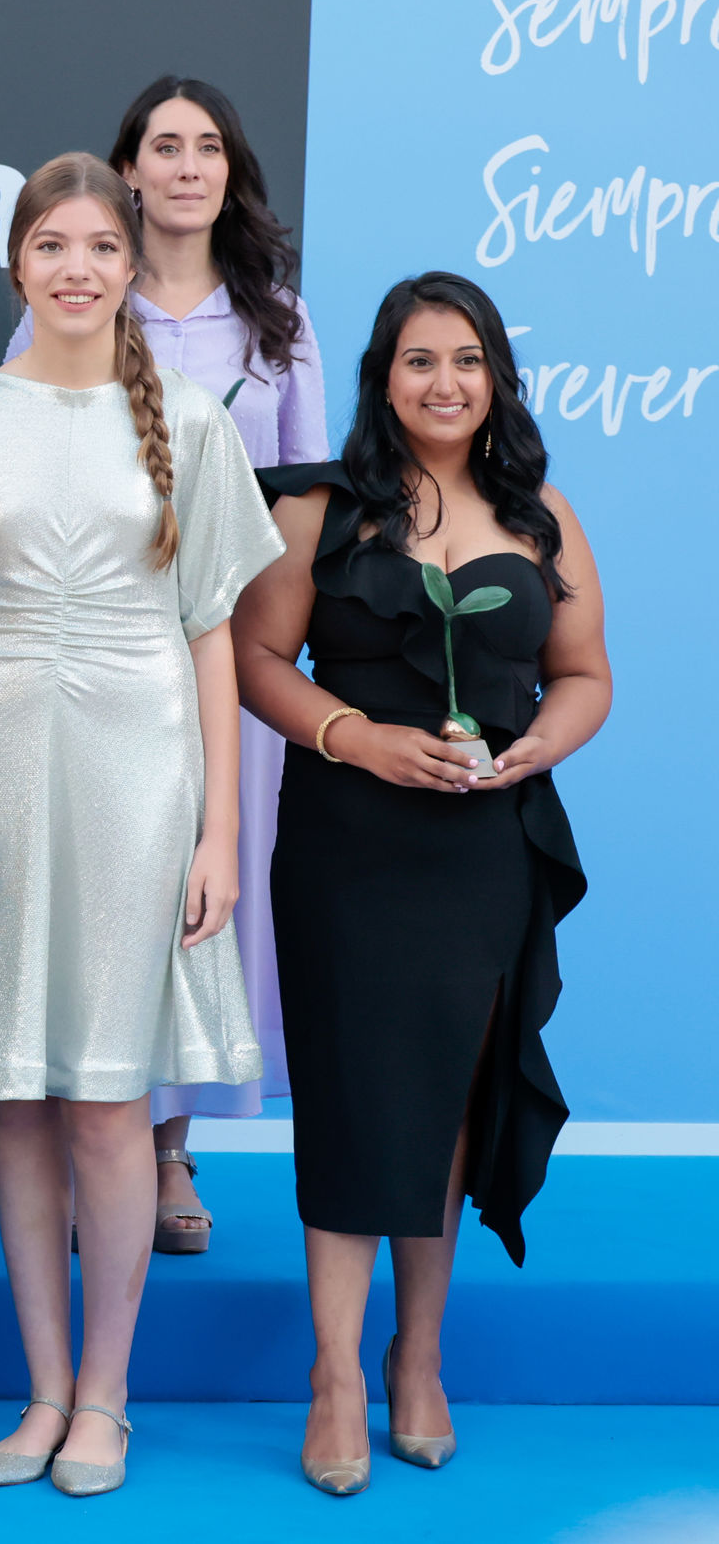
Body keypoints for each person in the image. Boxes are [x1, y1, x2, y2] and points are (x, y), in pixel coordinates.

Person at [0, 153, 282, 1497]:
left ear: (130, 266)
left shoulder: (196, 420)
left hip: (140, 776)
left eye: (98, 248)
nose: (75, 268)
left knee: (111, 1102)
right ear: (17, 266)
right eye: (50, 246)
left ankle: (107, 1395)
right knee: (20, 1095)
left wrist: (222, 830)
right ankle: (41, 1387)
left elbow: (215, 637)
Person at [234, 273, 606, 1496]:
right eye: (416, 361)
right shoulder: (317, 513)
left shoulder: (539, 516)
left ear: (493, 375)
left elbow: (583, 675)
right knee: (351, 1096)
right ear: (379, 380)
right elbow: (254, 659)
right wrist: (359, 738)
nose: (442, 383)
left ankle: (417, 1356)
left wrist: (535, 747)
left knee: (447, 1098)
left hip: (482, 848)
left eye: (465, 360)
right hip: (347, 842)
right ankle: (333, 1370)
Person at [6, 75, 327, 1254]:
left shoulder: (280, 325)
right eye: (164, 147)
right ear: (127, 169)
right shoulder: (85, 297)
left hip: (227, 658)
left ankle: (168, 1146)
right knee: (103, 891)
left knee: (200, 895)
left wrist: (255, 644)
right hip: (96, 661)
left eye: (208, 148)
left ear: (231, 173)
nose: (187, 167)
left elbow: (307, 506)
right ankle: (104, 1134)